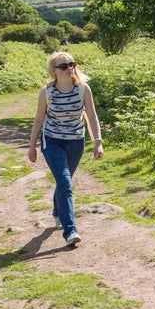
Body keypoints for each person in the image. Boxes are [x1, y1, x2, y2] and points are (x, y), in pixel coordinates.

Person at [27, 51, 103, 247]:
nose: (69, 68)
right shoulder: (47, 92)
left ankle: (57, 211)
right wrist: (32, 146)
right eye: (63, 66)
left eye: (71, 64)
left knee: (64, 181)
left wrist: (98, 141)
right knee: (65, 182)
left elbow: (92, 117)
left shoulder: (83, 89)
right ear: (54, 71)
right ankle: (70, 231)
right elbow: (38, 119)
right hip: (52, 141)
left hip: (76, 141)